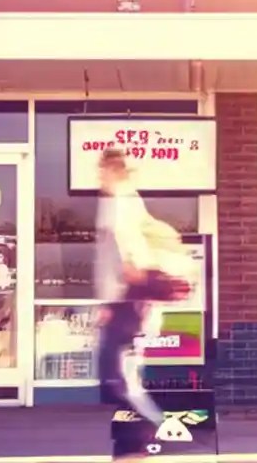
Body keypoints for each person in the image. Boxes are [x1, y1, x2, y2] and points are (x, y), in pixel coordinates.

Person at [94, 147, 167, 428]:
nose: (100, 175)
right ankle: (155, 429)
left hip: (127, 302)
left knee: (118, 373)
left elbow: (128, 260)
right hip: (126, 301)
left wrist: (115, 303)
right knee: (123, 373)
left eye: (103, 170)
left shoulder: (121, 202)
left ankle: (161, 429)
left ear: (115, 170)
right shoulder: (121, 200)